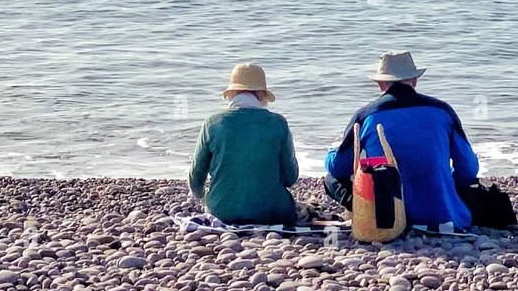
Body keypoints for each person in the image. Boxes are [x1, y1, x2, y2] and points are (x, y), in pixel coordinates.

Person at [324, 50, 480, 229]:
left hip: (387, 217)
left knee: (331, 179)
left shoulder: (366, 116)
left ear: (381, 84)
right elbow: (469, 169)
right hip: (442, 215)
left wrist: (330, 154)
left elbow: (338, 168)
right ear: (414, 80)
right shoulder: (443, 111)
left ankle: (366, 215)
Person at [188, 63, 299, 225]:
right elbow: (290, 177)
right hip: (272, 212)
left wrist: (201, 196)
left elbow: (196, 177)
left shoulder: (212, 123)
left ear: (232, 93)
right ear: (262, 95)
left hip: (222, 211)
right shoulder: (278, 123)